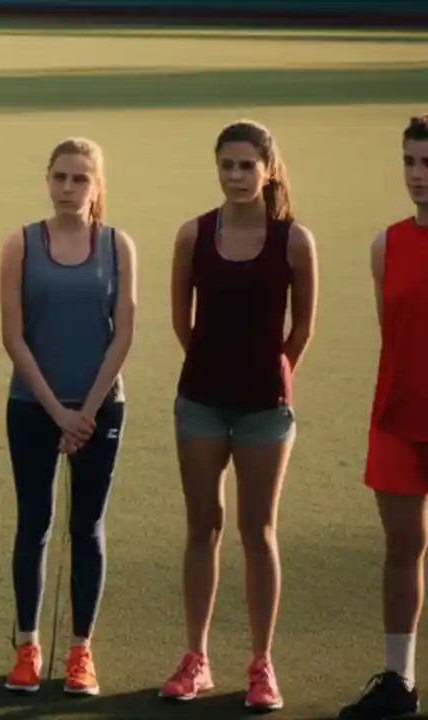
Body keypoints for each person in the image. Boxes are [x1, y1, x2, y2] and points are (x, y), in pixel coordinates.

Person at [159, 120, 317, 713]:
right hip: (200, 401)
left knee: (259, 533)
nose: (236, 175)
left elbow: (300, 329)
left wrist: (273, 373)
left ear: (268, 168)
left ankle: (261, 665)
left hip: (265, 411)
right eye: (227, 165)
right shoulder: (192, 235)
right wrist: (210, 366)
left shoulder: (294, 241)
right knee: (203, 527)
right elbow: (183, 320)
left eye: (247, 165)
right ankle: (195, 658)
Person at [0, 138, 136, 698]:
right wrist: (57, 410)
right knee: (34, 524)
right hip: (33, 406)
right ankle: (27, 647)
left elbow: (123, 332)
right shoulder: (21, 244)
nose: (68, 189)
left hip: (101, 407)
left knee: (88, 527)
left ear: (97, 184)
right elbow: (12, 336)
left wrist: (87, 410)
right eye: (59, 177)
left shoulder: (117, 246)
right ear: (47, 179)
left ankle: (81, 651)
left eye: (80, 179)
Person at [338, 114, 428, 720]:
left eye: (427, 163)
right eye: (409, 161)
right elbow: (390, 333)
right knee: (403, 546)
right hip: (398, 417)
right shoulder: (385, 245)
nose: (417, 176)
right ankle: (399, 682)